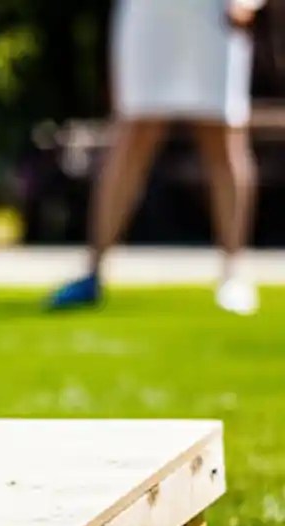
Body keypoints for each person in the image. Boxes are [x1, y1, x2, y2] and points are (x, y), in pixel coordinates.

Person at [50, 0, 266, 315]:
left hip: (214, 12)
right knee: (134, 133)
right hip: (148, 11)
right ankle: (93, 270)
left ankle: (233, 272)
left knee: (221, 136)